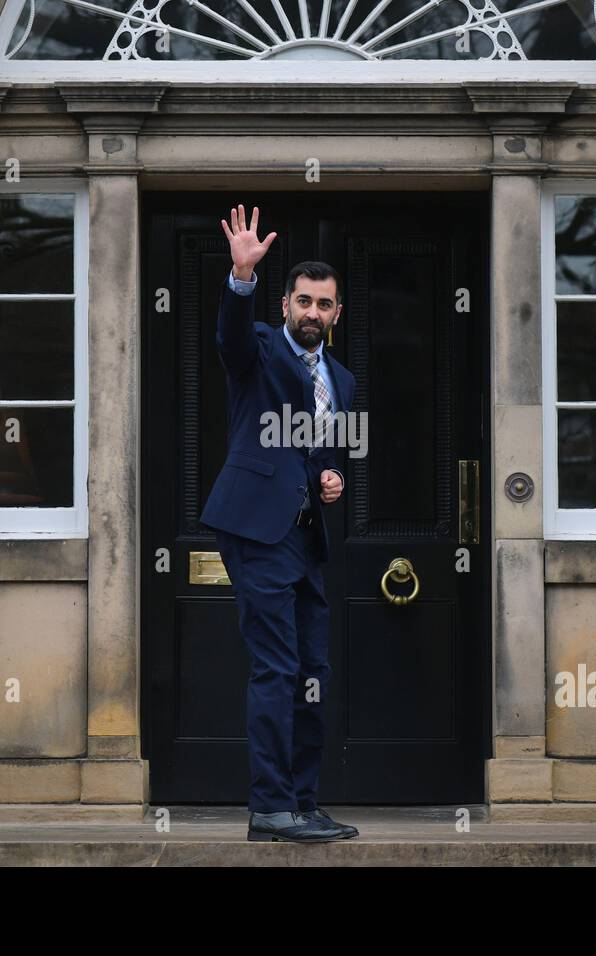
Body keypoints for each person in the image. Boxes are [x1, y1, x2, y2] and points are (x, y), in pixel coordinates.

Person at [200, 204, 360, 843]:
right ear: (286, 305)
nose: (312, 312)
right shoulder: (261, 349)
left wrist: (333, 479)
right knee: (276, 668)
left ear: (337, 313)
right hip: (256, 529)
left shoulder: (342, 380)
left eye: (324, 304)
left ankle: (301, 800)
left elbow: (325, 455)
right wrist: (242, 275)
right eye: (302, 301)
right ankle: (270, 807)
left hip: (304, 538)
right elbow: (230, 341)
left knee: (312, 672)